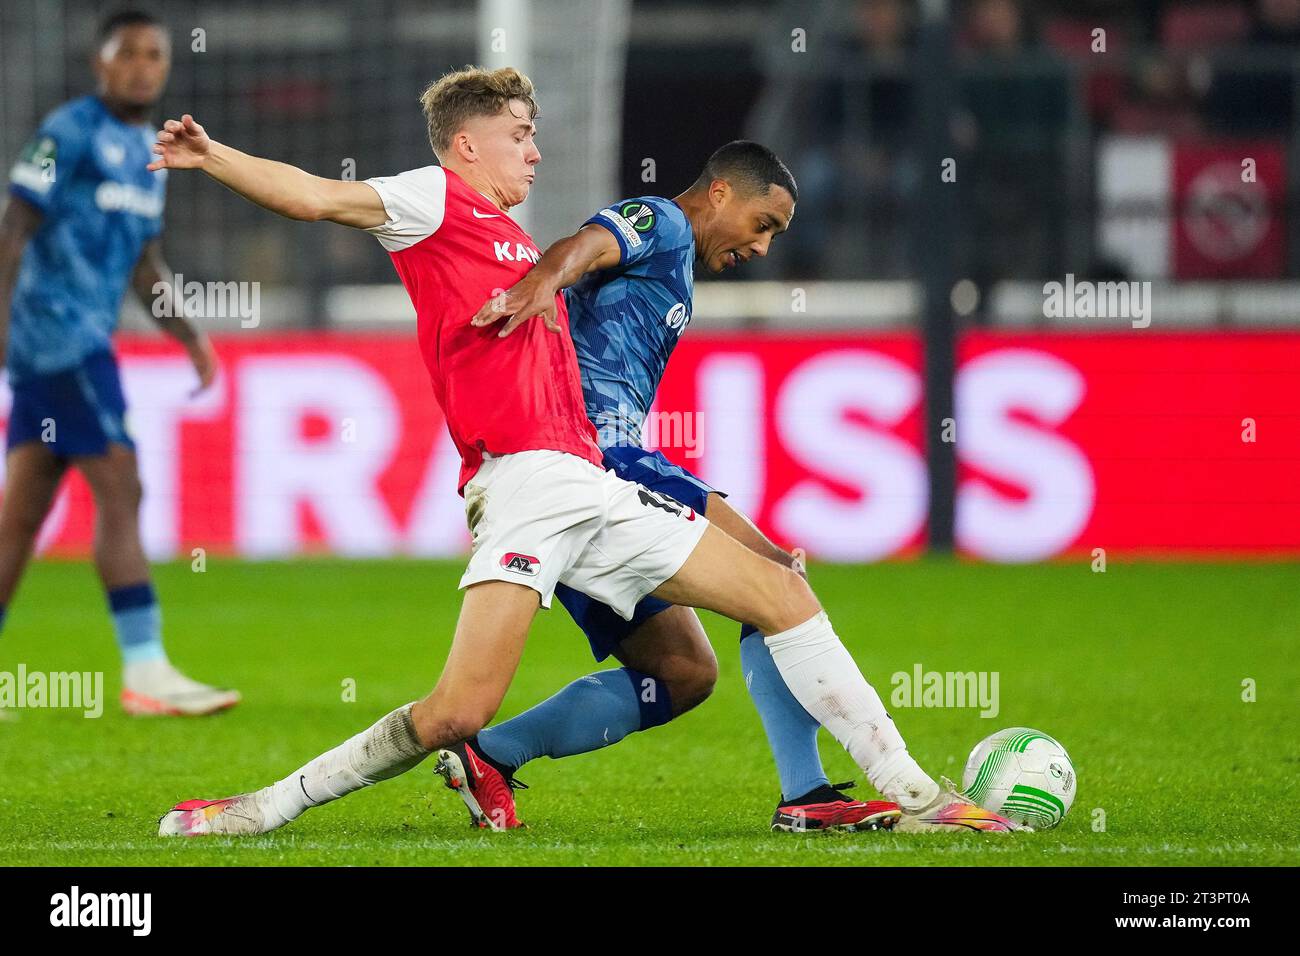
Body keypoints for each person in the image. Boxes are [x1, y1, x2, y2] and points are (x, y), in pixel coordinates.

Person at [149, 65, 1020, 837]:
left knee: (778, 595)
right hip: (528, 482)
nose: (534, 153)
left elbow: (574, 263)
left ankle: (915, 796)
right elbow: (314, 195)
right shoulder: (432, 200)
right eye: (519, 136)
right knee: (456, 710)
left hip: (589, 484)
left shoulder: (513, 235)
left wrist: (540, 277)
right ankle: (262, 807)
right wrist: (214, 154)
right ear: (465, 143)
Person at [449, 141, 895, 832]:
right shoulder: (662, 220)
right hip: (604, 461)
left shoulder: (677, 265)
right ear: (720, 192)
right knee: (774, 575)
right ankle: (806, 795)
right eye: (764, 224)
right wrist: (544, 279)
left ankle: (490, 755)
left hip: (574, 489)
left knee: (683, 673)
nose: (764, 247)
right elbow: (590, 242)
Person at [0, 10, 237, 717]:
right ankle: (146, 670)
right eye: (126, 53)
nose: (141, 66)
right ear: (100, 64)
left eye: (153, 55)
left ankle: (146, 670)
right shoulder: (63, 133)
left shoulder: (150, 153)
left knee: (21, 512)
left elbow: (143, 264)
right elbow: (14, 227)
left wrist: (189, 337)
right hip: (58, 343)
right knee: (122, 487)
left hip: (73, 347)